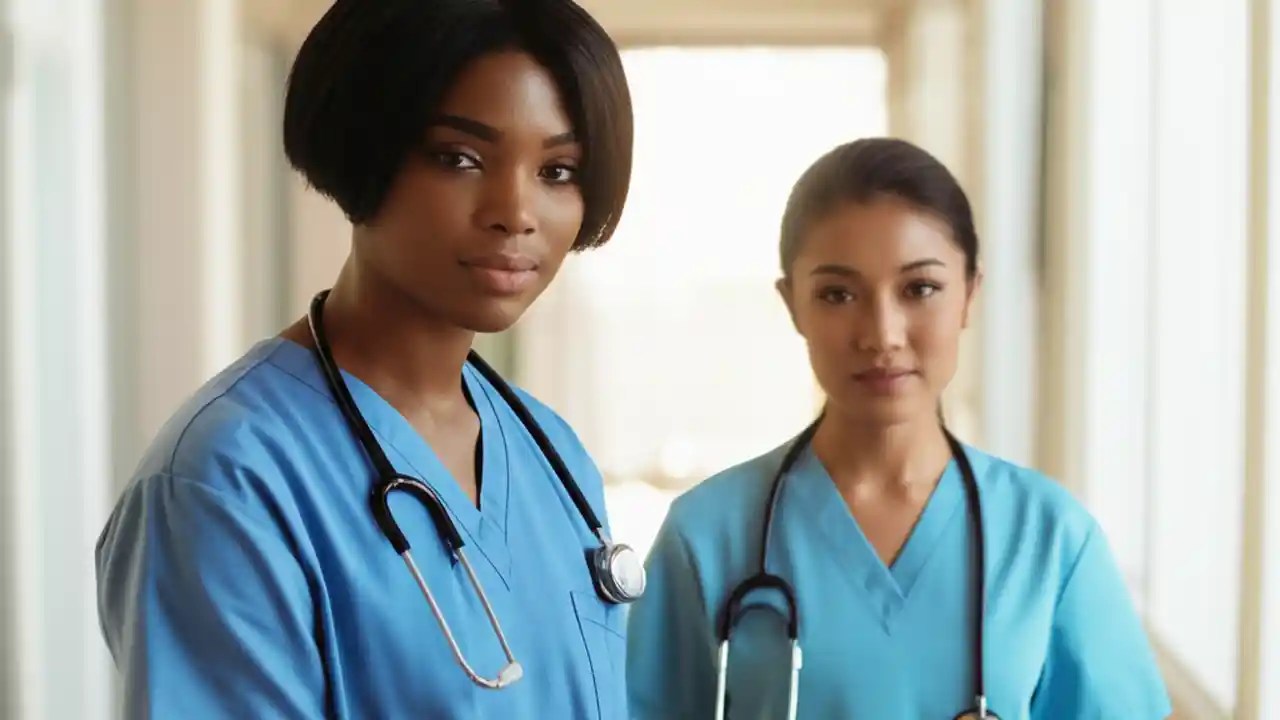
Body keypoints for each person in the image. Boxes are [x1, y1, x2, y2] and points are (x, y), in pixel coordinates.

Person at [94, 1, 640, 717]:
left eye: (559, 170)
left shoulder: (554, 458)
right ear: (361, 149)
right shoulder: (227, 482)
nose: (516, 211)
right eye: (460, 158)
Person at [625, 138, 1171, 719]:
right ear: (793, 306)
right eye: (838, 294)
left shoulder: (1051, 538)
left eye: (920, 289)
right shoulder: (709, 535)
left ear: (969, 295)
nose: (882, 334)